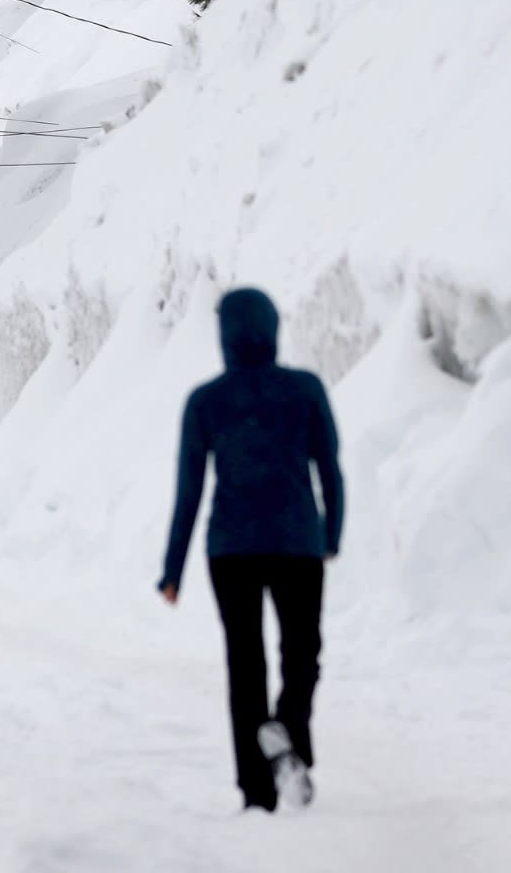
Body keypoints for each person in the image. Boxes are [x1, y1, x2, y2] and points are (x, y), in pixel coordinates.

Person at [159, 288, 345, 814]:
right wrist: (332, 532)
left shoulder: (206, 400)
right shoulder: (305, 389)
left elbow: (189, 490)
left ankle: (256, 791)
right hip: (296, 544)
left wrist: (173, 569)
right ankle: (288, 738)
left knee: (246, 664)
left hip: (232, 550)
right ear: (272, 328)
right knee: (301, 654)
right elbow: (329, 467)